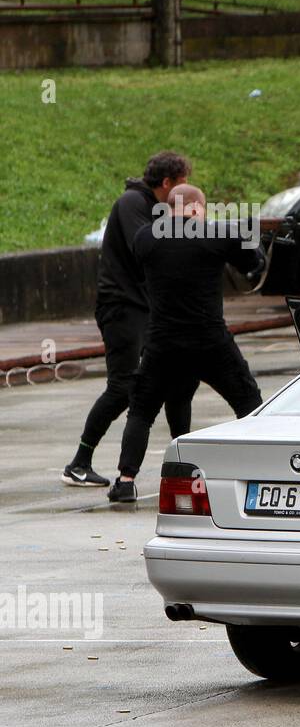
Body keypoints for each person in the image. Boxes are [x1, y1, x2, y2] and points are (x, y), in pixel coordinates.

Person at [109, 184, 265, 503]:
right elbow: (254, 265)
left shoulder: (146, 237)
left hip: (163, 342)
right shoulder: (220, 233)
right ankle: (262, 473)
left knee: (141, 411)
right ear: (196, 208)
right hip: (210, 341)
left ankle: (125, 480)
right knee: (250, 403)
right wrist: (258, 238)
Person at [62, 152, 199, 487]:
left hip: (145, 307)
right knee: (123, 386)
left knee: (173, 382)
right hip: (122, 307)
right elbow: (148, 249)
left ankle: (183, 464)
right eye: (181, 185)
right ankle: (79, 462)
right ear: (166, 183)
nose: (185, 192)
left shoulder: (154, 207)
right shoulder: (131, 203)